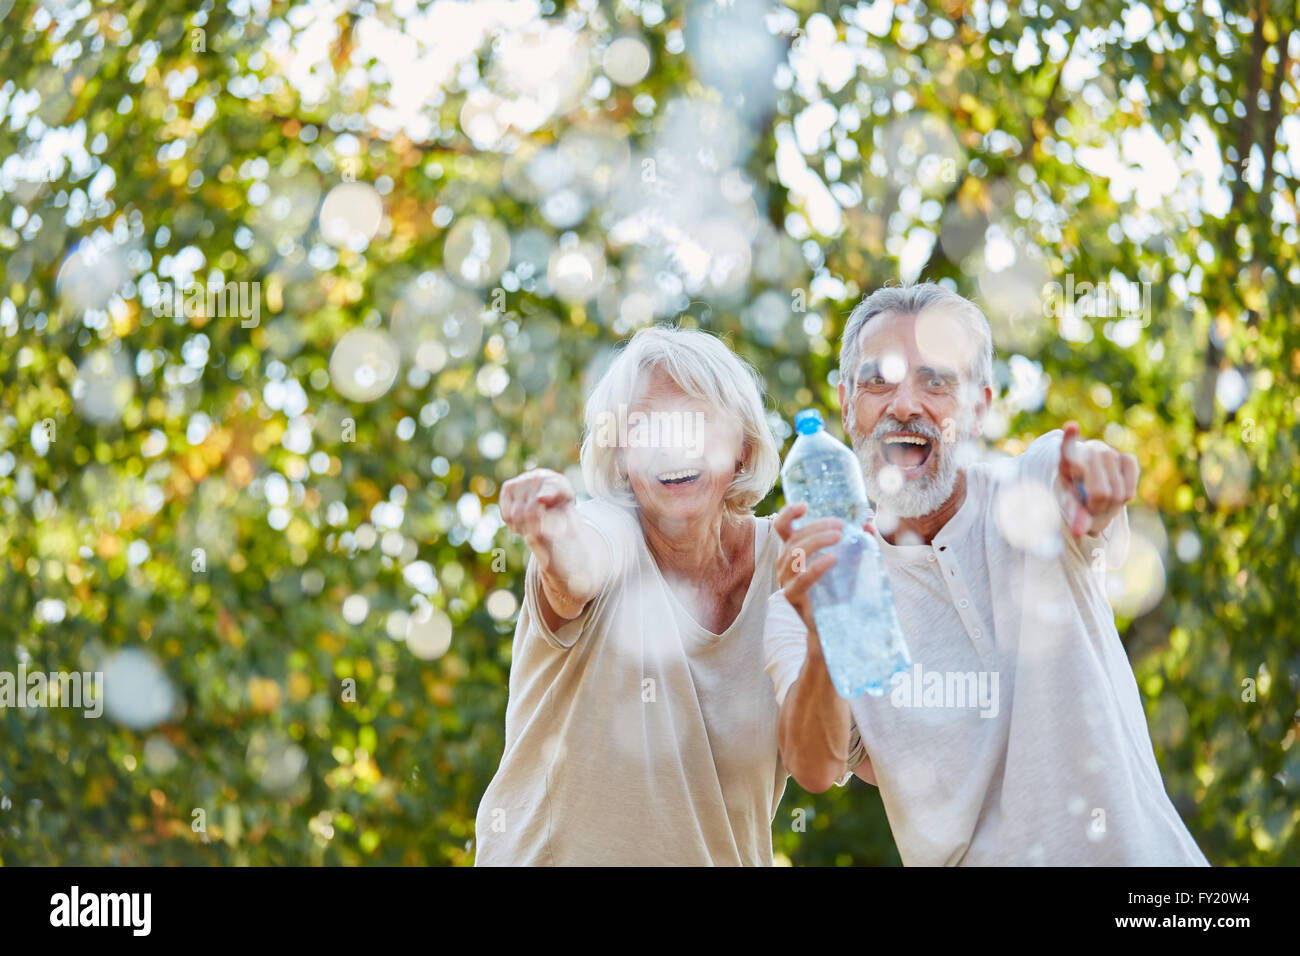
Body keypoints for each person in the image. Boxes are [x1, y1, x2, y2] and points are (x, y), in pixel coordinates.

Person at [766, 281, 1210, 865]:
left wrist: (1095, 479)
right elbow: (815, 767)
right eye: (879, 380)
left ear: (979, 405)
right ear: (848, 404)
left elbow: (1069, 468)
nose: (904, 404)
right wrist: (826, 631)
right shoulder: (806, 589)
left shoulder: (1030, 494)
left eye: (937, 379)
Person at [475, 325, 787, 865]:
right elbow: (577, 568)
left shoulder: (794, 560)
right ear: (619, 457)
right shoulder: (606, 530)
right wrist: (550, 530)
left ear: (745, 445)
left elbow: (867, 750)